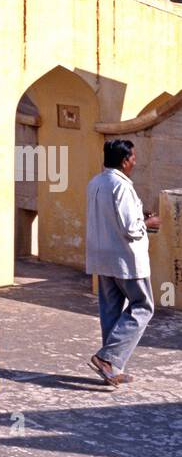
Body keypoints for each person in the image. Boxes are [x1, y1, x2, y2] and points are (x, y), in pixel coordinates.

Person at [86, 139, 160, 387]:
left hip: (102, 256)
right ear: (124, 161)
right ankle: (108, 358)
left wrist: (140, 215)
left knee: (111, 311)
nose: (135, 162)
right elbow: (130, 228)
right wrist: (148, 223)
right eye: (133, 158)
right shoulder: (121, 186)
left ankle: (111, 367)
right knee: (143, 306)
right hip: (125, 258)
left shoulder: (96, 182)